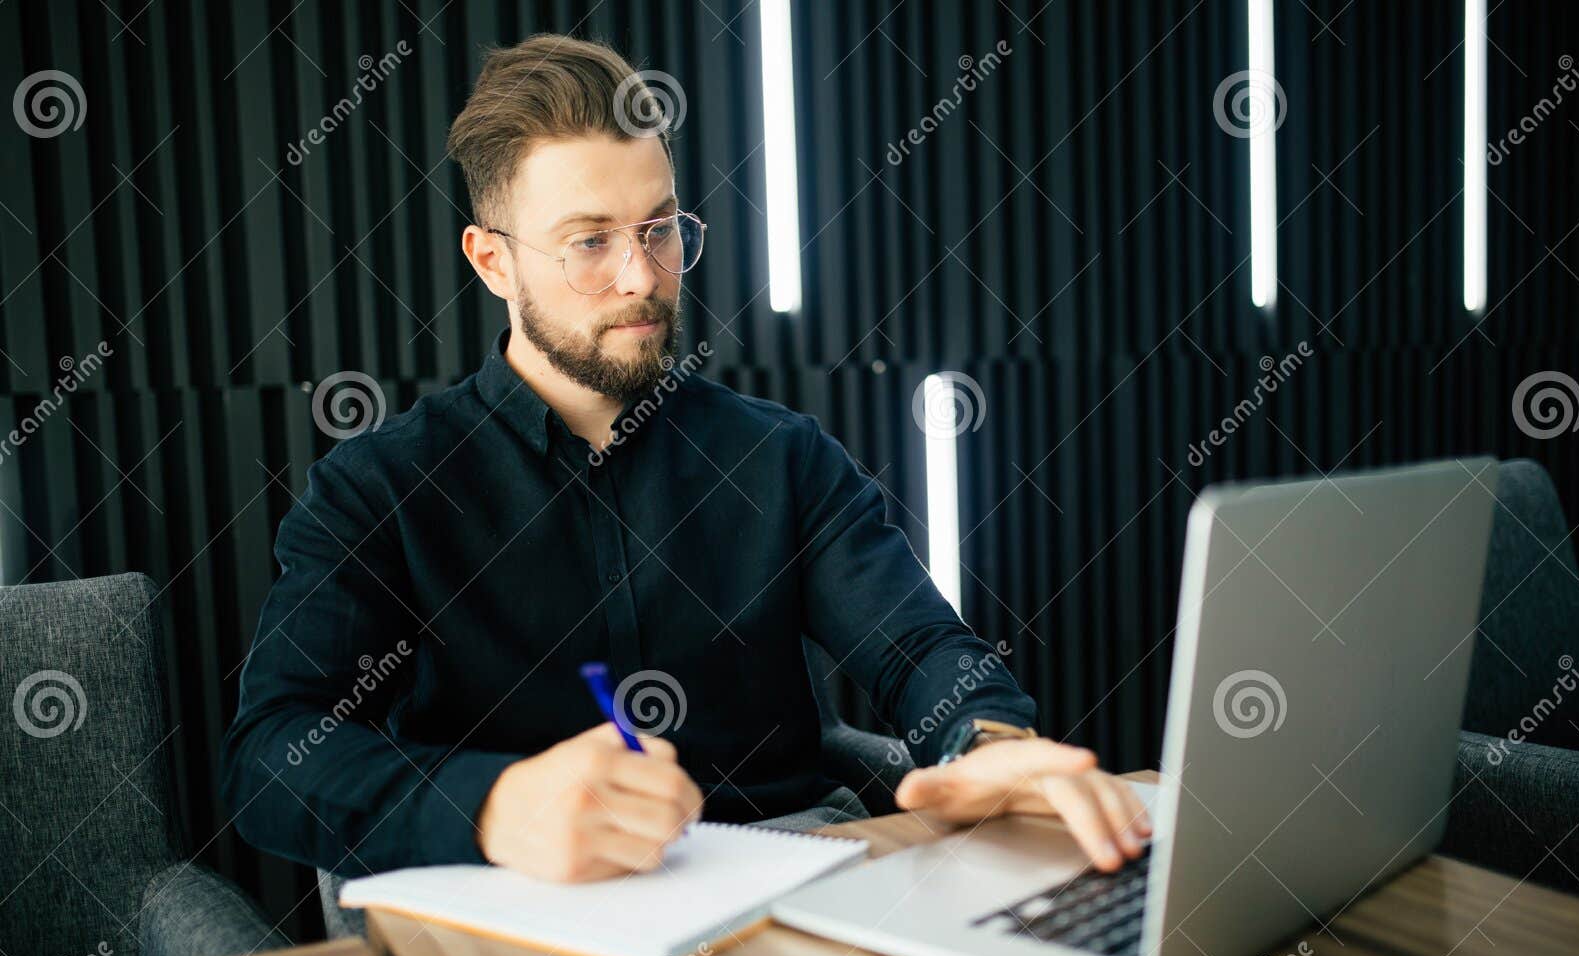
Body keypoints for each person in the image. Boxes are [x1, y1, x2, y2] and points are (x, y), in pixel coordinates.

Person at [219, 33, 1150, 885]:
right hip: (515, 901)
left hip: (786, 879)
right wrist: (496, 806)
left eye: (659, 230)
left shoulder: (779, 456)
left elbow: (917, 648)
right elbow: (270, 755)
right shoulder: (379, 489)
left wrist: (981, 740)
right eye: (590, 242)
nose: (641, 277)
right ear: (493, 261)